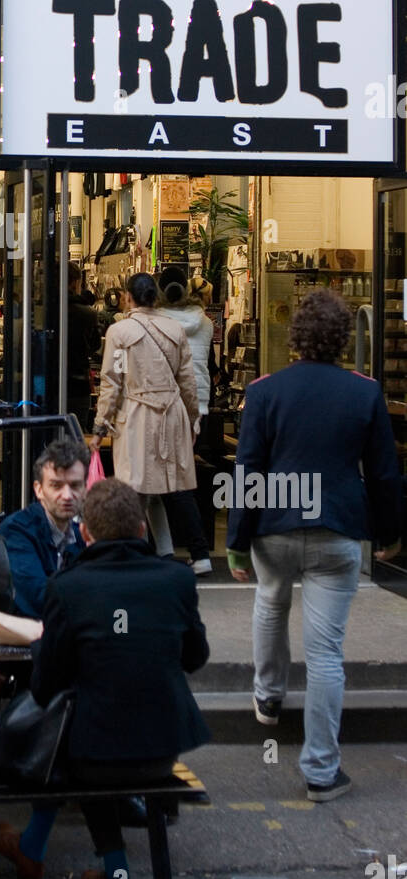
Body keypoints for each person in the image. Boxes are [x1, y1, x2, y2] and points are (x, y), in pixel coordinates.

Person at [227, 290, 402, 802]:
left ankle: (267, 696)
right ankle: (322, 770)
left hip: (275, 523)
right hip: (338, 529)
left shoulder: (264, 391)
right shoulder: (365, 393)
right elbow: (385, 473)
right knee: (326, 652)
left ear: (296, 337)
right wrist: (390, 533)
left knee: (270, 602)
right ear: (344, 339)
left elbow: (248, 468)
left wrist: (237, 540)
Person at [0, 478, 210, 879]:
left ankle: (48, 854)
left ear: (85, 533)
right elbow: (195, 657)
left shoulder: (67, 587)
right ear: (143, 529)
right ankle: (111, 871)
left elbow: (45, 688)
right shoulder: (177, 580)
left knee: (73, 743)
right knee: (90, 742)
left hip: (93, 755)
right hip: (163, 748)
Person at [90, 272, 199, 560]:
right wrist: (193, 417)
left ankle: (133, 551)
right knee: (168, 486)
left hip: (137, 414)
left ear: (128, 297)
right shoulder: (175, 329)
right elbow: (187, 380)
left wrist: (100, 426)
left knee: (134, 487)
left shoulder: (120, 333)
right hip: (172, 412)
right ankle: (172, 552)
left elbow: (113, 381)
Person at [156, 271, 214, 575]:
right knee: (177, 480)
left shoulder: (156, 324)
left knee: (168, 482)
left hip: (167, 407)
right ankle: (172, 550)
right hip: (197, 407)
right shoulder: (205, 323)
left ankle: (197, 551)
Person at [0, 438, 88, 620]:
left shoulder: (80, 534)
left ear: (85, 488)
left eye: (75, 485)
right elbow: (38, 600)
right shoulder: (17, 531)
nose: (67, 495)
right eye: (56, 485)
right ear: (39, 490)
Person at [66, 261, 102, 434]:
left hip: (46, 383)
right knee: (75, 434)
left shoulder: (43, 310)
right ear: (75, 282)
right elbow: (95, 344)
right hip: (78, 382)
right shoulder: (88, 313)